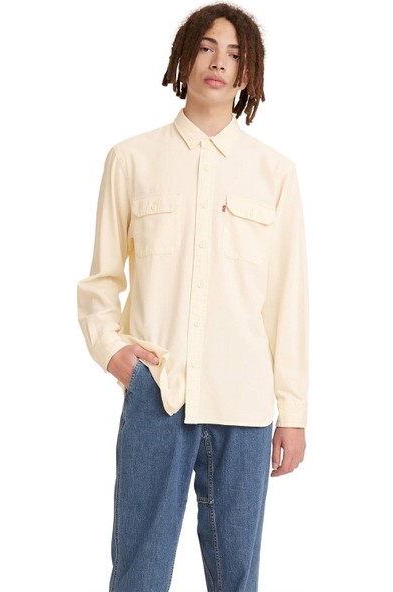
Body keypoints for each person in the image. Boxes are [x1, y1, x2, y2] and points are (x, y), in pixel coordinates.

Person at [77, 3, 309, 591]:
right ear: (185, 57)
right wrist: (113, 351)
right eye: (207, 47)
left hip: (245, 403)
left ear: (248, 73)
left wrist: (294, 413)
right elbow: (101, 280)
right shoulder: (131, 159)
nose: (218, 62)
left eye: (234, 54)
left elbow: (288, 301)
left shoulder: (275, 173)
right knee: (139, 573)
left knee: (237, 580)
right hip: (158, 392)